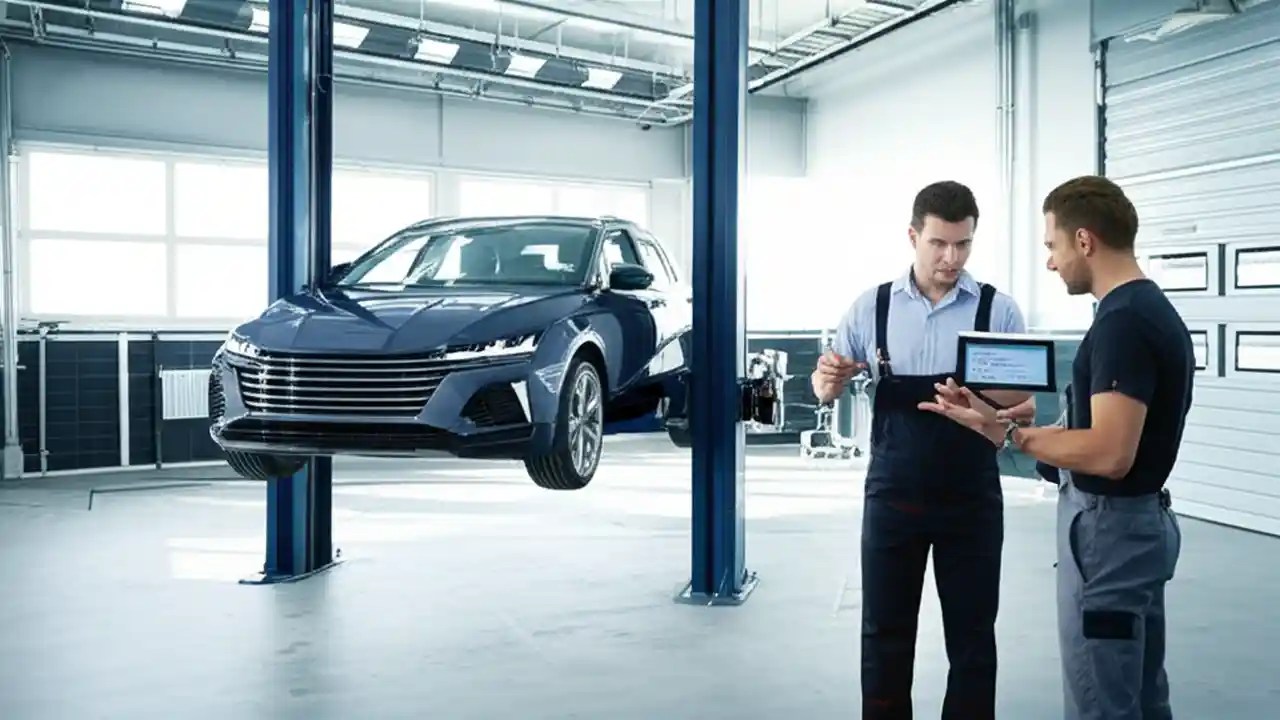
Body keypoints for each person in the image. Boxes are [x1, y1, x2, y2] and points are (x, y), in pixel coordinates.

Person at [919, 175, 1192, 720]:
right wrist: (1012, 422)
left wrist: (1008, 434)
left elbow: (1112, 453)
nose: (1050, 262)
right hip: (1139, 525)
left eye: (1052, 246)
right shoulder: (1150, 310)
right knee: (1138, 692)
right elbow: (1107, 434)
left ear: (1085, 241)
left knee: (1100, 699)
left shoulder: (1123, 324)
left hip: (1108, 535)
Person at [812, 180, 1033, 720]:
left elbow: (1024, 404)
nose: (951, 257)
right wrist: (829, 377)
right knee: (885, 632)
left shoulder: (998, 312)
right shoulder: (873, 308)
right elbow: (824, 388)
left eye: (963, 244)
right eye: (939, 243)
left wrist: (987, 403)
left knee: (974, 637)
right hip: (893, 497)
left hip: (972, 501)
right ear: (913, 236)